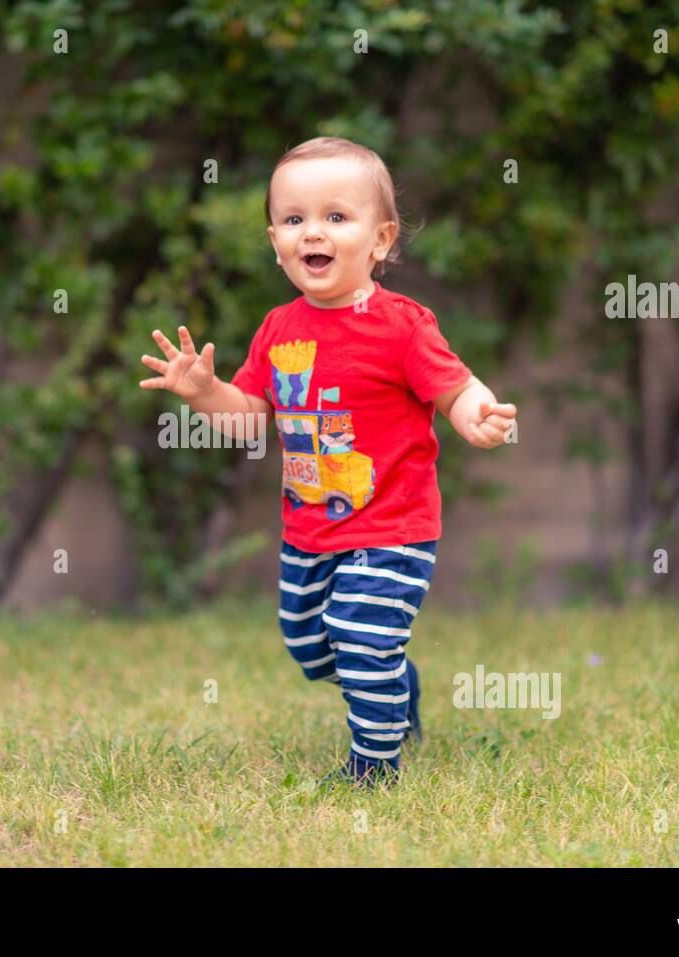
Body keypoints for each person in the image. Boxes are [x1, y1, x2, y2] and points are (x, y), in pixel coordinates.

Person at [138, 136, 517, 788]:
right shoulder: (278, 328)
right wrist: (204, 394)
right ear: (275, 239)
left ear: (380, 238)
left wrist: (475, 413)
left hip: (392, 524)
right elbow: (250, 415)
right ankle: (395, 682)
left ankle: (373, 766)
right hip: (309, 529)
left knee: (359, 636)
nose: (312, 231)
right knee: (312, 647)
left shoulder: (403, 325)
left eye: (336, 217)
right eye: (294, 219)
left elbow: (454, 385)